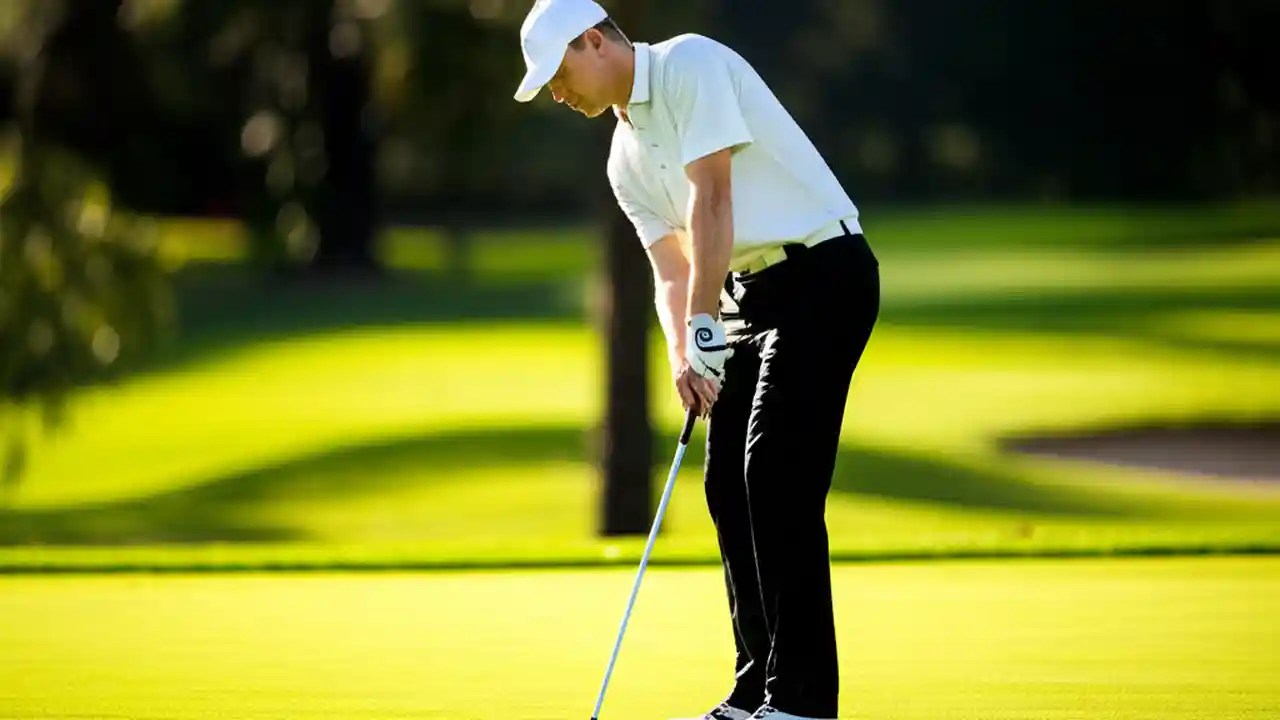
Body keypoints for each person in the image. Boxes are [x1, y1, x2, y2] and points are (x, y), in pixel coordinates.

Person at [513, 2, 880, 718]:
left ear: (594, 40)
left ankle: (803, 701)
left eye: (558, 74)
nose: (557, 93)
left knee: (774, 473)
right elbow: (671, 271)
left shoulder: (689, 64)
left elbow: (713, 196)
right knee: (726, 486)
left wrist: (706, 321)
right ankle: (756, 687)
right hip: (745, 297)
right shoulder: (622, 157)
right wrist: (687, 352)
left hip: (824, 274)